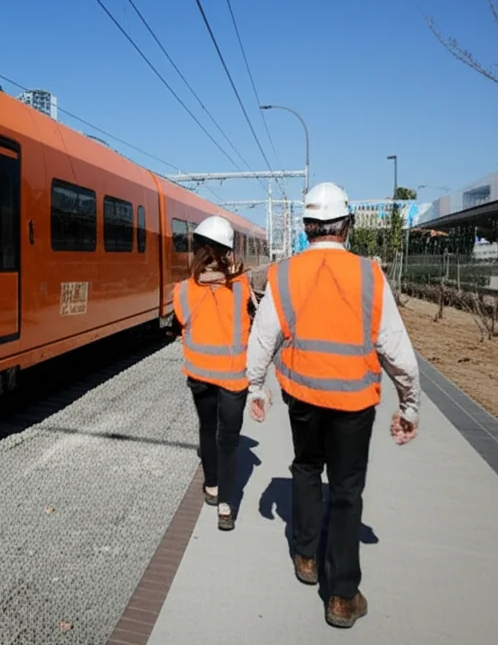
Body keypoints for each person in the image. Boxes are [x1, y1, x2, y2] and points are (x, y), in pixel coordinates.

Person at [245, 182, 420, 629]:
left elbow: (264, 335)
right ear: (348, 225)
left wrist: (256, 388)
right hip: (354, 404)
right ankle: (341, 596)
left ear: (306, 227)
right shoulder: (369, 274)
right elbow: (397, 349)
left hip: (301, 397)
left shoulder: (284, 274)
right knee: (345, 493)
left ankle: (305, 555)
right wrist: (409, 404)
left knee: (305, 467)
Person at [173, 215, 255, 531]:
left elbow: (182, 320)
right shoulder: (241, 287)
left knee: (207, 429)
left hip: (198, 375)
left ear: (199, 250)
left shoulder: (182, 290)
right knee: (229, 439)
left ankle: (211, 485)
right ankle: (225, 507)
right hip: (233, 377)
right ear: (228, 251)